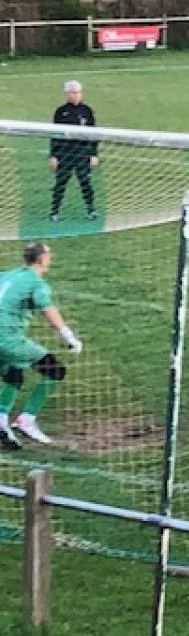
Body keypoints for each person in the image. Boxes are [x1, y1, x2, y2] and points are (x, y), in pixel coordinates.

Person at [0, 243, 83, 449]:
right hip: (7, 339)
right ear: (42, 259)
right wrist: (69, 337)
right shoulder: (36, 283)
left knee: (14, 374)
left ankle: (2, 419)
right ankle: (26, 419)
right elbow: (49, 311)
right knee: (55, 370)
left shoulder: (9, 275)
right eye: (49, 255)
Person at [49, 80, 99, 222]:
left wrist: (94, 154)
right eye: (73, 92)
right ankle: (54, 211)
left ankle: (91, 210)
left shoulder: (87, 111)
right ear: (68, 93)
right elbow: (54, 135)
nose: (76, 95)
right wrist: (53, 155)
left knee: (85, 182)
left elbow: (95, 134)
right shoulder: (60, 112)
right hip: (65, 153)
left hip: (82, 153)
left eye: (78, 92)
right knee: (61, 183)